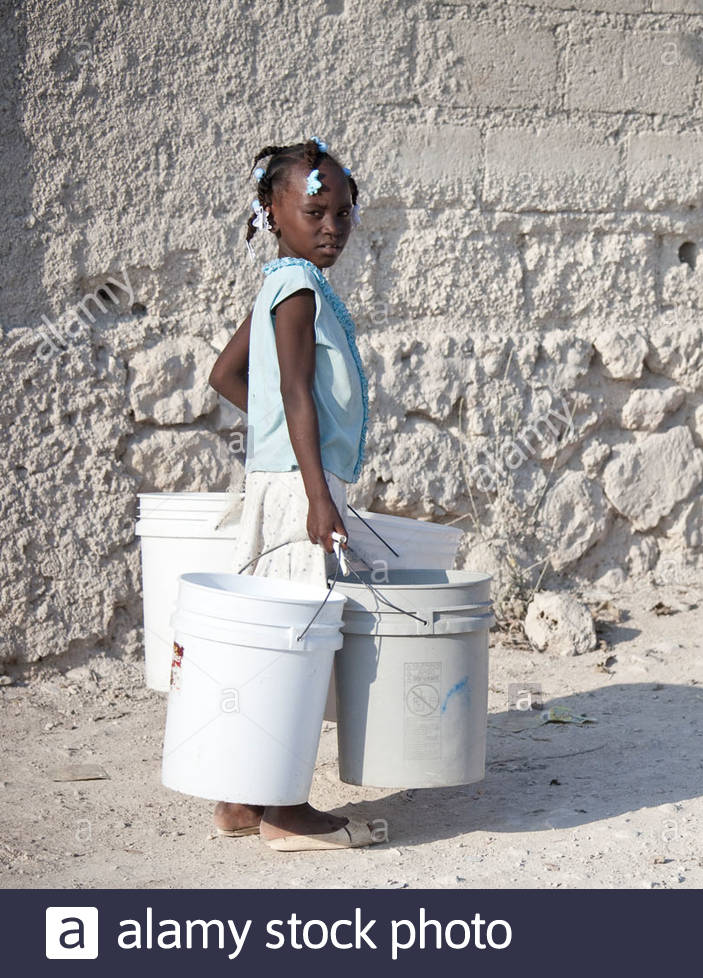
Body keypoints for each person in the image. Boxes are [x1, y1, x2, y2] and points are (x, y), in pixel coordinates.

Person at [207, 137, 377, 852]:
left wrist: (275, 438)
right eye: (315, 211)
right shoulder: (299, 289)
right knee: (296, 645)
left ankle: (243, 800)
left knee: (270, 642)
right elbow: (298, 391)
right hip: (298, 492)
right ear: (272, 211)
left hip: (279, 482)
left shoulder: (281, 282)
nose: (331, 225)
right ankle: (285, 809)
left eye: (341, 211)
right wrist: (316, 494)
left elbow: (224, 375)